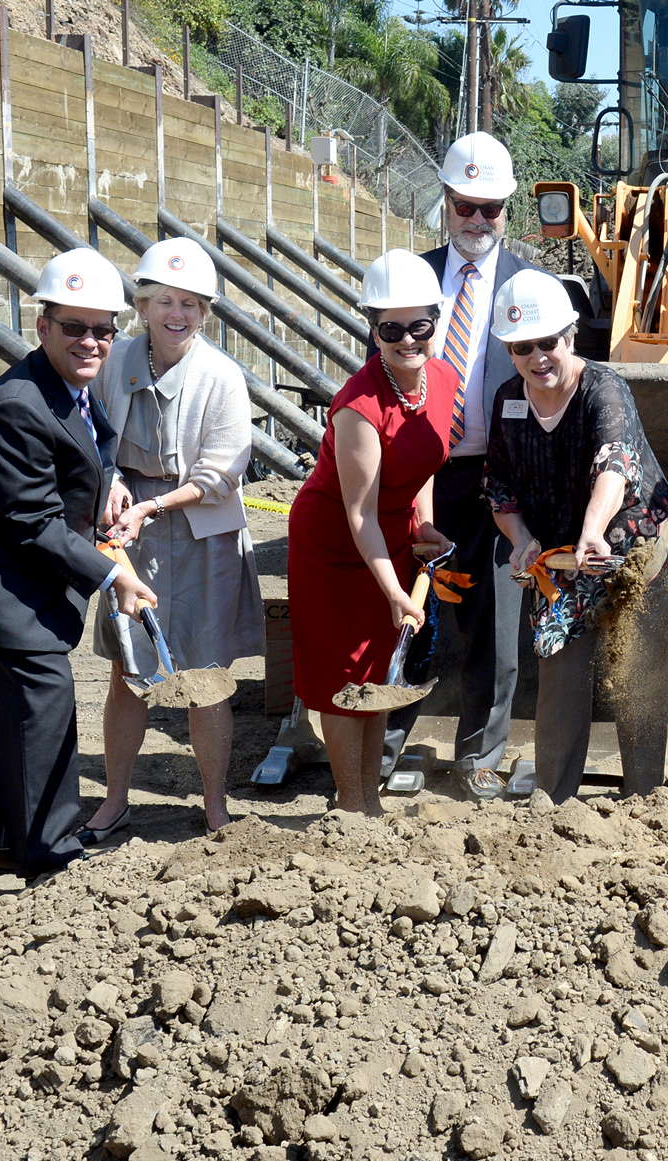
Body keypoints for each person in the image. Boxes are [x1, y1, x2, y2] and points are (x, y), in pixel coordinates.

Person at [0, 248, 157, 881]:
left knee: (9, 712)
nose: (91, 341)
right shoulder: (17, 408)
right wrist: (115, 573)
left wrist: (108, 481)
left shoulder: (68, 389)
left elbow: (87, 451)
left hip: (11, 582)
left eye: (103, 330)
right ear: (43, 328)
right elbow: (31, 522)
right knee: (43, 707)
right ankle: (52, 856)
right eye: (74, 327)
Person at [80, 237, 263, 841]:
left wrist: (152, 504)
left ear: (206, 311)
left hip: (201, 532)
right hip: (133, 536)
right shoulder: (116, 362)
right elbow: (96, 439)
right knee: (129, 670)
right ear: (142, 306)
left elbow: (220, 474)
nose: (177, 313)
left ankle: (214, 804)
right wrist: (111, 483)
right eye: (165, 301)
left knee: (205, 675)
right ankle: (114, 800)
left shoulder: (223, 376)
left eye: (190, 303)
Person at [384, 131, 549, 800]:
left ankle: (480, 755)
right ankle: (384, 744)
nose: (478, 221)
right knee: (404, 615)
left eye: (491, 209)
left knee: (495, 630)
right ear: (444, 204)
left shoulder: (528, 286)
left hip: (498, 479)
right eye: (465, 206)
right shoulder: (412, 280)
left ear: (507, 210)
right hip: (419, 474)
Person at [484, 271, 668, 802]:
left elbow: (614, 465)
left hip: (632, 552)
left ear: (569, 337)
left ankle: (646, 798)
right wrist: (521, 538)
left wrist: (593, 531)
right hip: (559, 561)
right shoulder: (508, 402)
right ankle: (554, 799)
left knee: (635, 672)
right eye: (522, 347)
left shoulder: (604, 390)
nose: (537, 357)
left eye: (547, 343)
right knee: (559, 680)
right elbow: (499, 488)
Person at [288, 250, 453, 815]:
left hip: (393, 537)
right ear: (373, 330)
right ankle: (351, 800)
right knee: (345, 672)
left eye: (418, 326)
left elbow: (424, 465)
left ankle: (368, 796)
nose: (407, 339)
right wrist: (396, 593)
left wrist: (425, 526)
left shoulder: (443, 378)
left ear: (436, 320)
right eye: (391, 329)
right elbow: (357, 513)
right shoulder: (358, 407)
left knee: (382, 663)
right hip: (336, 542)